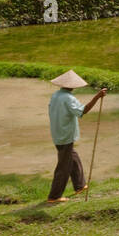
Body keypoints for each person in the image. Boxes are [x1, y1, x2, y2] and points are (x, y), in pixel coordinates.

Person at [46, 70, 107, 204]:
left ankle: (80, 185)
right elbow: (82, 111)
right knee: (64, 166)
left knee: (72, 157)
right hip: (65, 135)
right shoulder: (68, 98)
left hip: (57, 133)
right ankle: (54, 196)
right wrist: (97, 97)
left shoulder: (56, 95)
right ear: (72, 85)